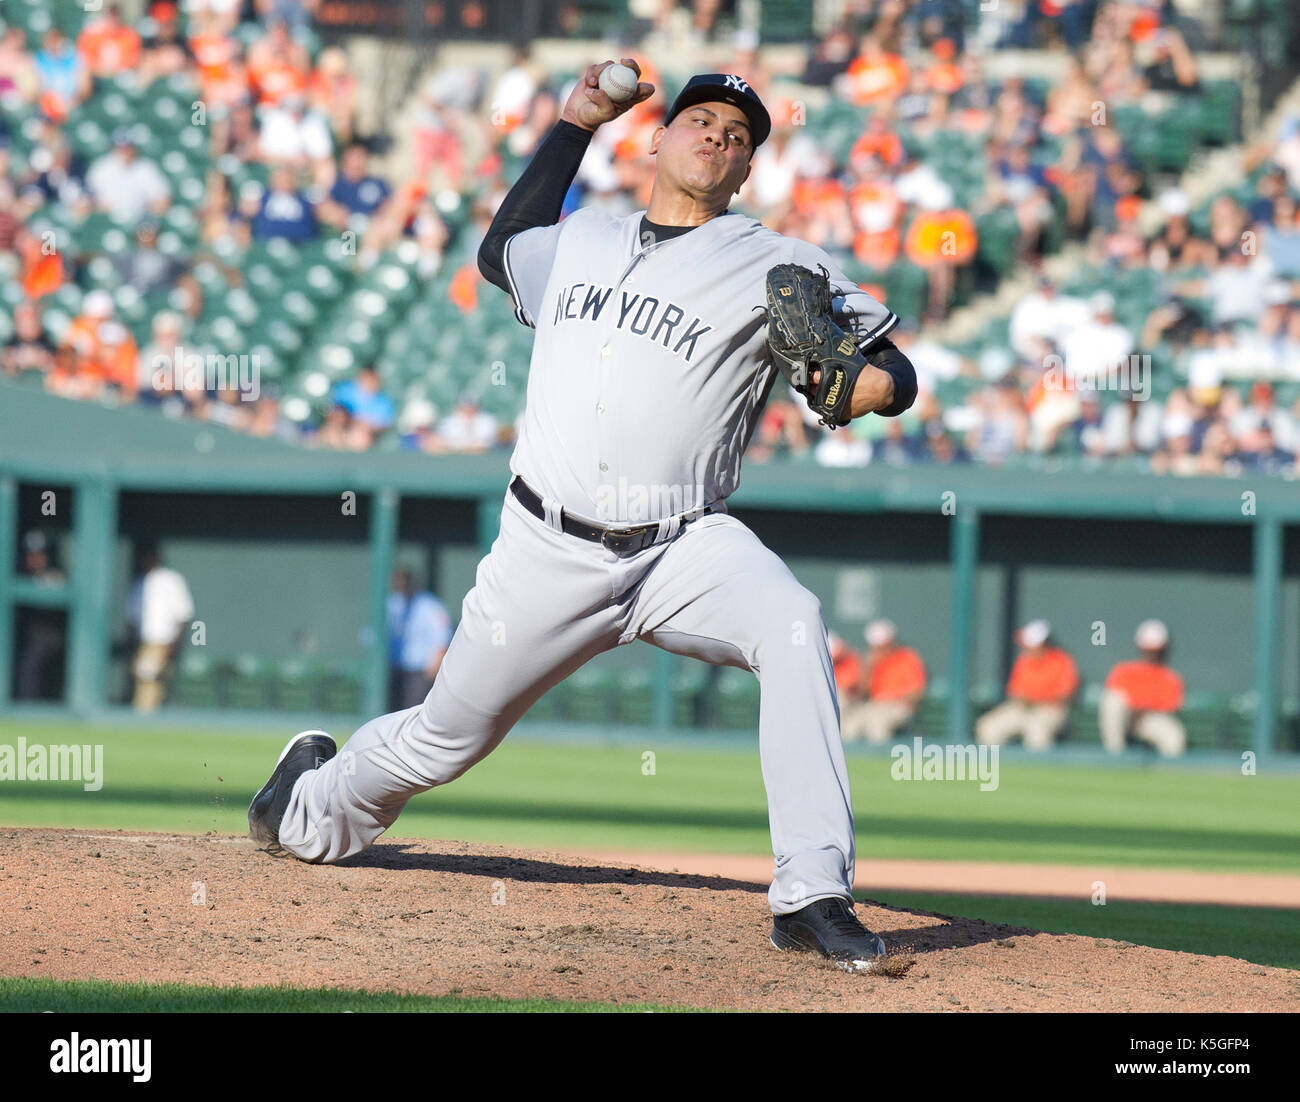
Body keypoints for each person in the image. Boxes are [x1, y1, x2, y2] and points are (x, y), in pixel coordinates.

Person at [248, 61, 918, 974]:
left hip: (684, 544)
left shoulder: (779, 264)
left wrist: (872, 384)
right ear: (658, 137)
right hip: (544, 548)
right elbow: (499, 253)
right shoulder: (584, 238)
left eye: (739, 136)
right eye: (703, 120)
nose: (718, 137)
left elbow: (894, 371)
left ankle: (811, 894)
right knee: (445, 741)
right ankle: (305, 804)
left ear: (747, 172)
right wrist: (572, 125)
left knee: (793, 623)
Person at [975, 620, 1078, 750]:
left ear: (1043, 643)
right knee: (987, 727)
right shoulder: (1024, 660)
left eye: (1030, 644)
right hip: (1022, 708)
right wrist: (1023, 699)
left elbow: (1066, 695)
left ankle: (1039, 769)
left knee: (1037, 731)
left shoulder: (1061, 660)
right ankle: (1002, 767)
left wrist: (1035, 698)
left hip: (1050, 711)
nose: (1026, 647)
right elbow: (1014, 690)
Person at [1100, 620, 1186, 757]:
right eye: (1148, 650)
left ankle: (1169, 772)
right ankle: (1115, 756)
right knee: (1113, 701)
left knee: (1173, 733)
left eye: (1155, 651)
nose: (1152, 654)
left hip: (1148, 720)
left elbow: (1171, 706)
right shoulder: (1124, 671)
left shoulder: (1170, 677)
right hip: (1126, 718)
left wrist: (1142, 710)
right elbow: (1113, 698)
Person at [128, 545, 195, 712]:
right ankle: (144, 714)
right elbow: (132, 618)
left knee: (152, 677)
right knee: (144, 676)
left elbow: (183, 614)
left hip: (163, 640)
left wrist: (173, 643)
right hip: (144, 641)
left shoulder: (171, 579)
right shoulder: (139, 581)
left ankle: (146, 714)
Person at [840, 619, 926, 744]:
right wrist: (868, 668)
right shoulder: (870, 662)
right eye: (875, 646)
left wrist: (894, 698)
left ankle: (880, 757)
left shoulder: (906, 658)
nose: (879, 650)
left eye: (883, 646)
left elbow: (917, 691)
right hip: (873, 705)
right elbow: (862, 692)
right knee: (850, 725)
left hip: (898, 706)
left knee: (877, 723)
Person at [386, 570, 453, 711]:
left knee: (413, 710)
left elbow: (441, 637)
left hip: (419, 670)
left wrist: (436, 663)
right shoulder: (392, 603)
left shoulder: (430, 606)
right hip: (395, 666)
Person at [14, 531, 67, 701]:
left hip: (52, 637)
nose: (35, 559)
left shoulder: (56, 574)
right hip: (27, 636)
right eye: (31, 555)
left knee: (35, 665)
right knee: (27, 666)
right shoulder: (19, 573)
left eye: (40, 554)